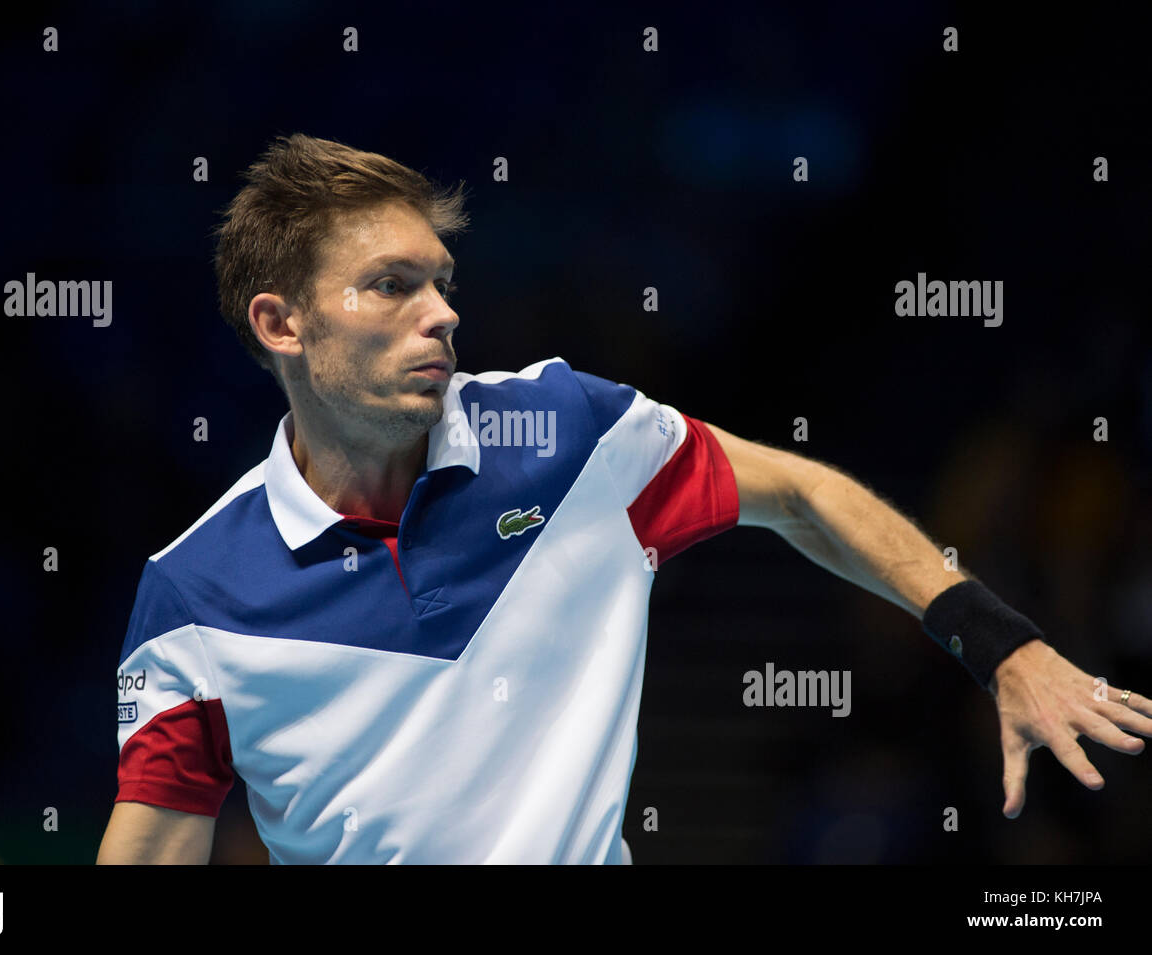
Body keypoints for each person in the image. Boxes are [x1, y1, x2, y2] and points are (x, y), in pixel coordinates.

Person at [96, 134, 1149, 864]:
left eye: (441, 278)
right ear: (281, 325)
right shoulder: (193, 594)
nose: (442, 313)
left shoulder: (569, 433)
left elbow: (800, 491)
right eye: (390, 285)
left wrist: (997, 642)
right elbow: (151, 843)